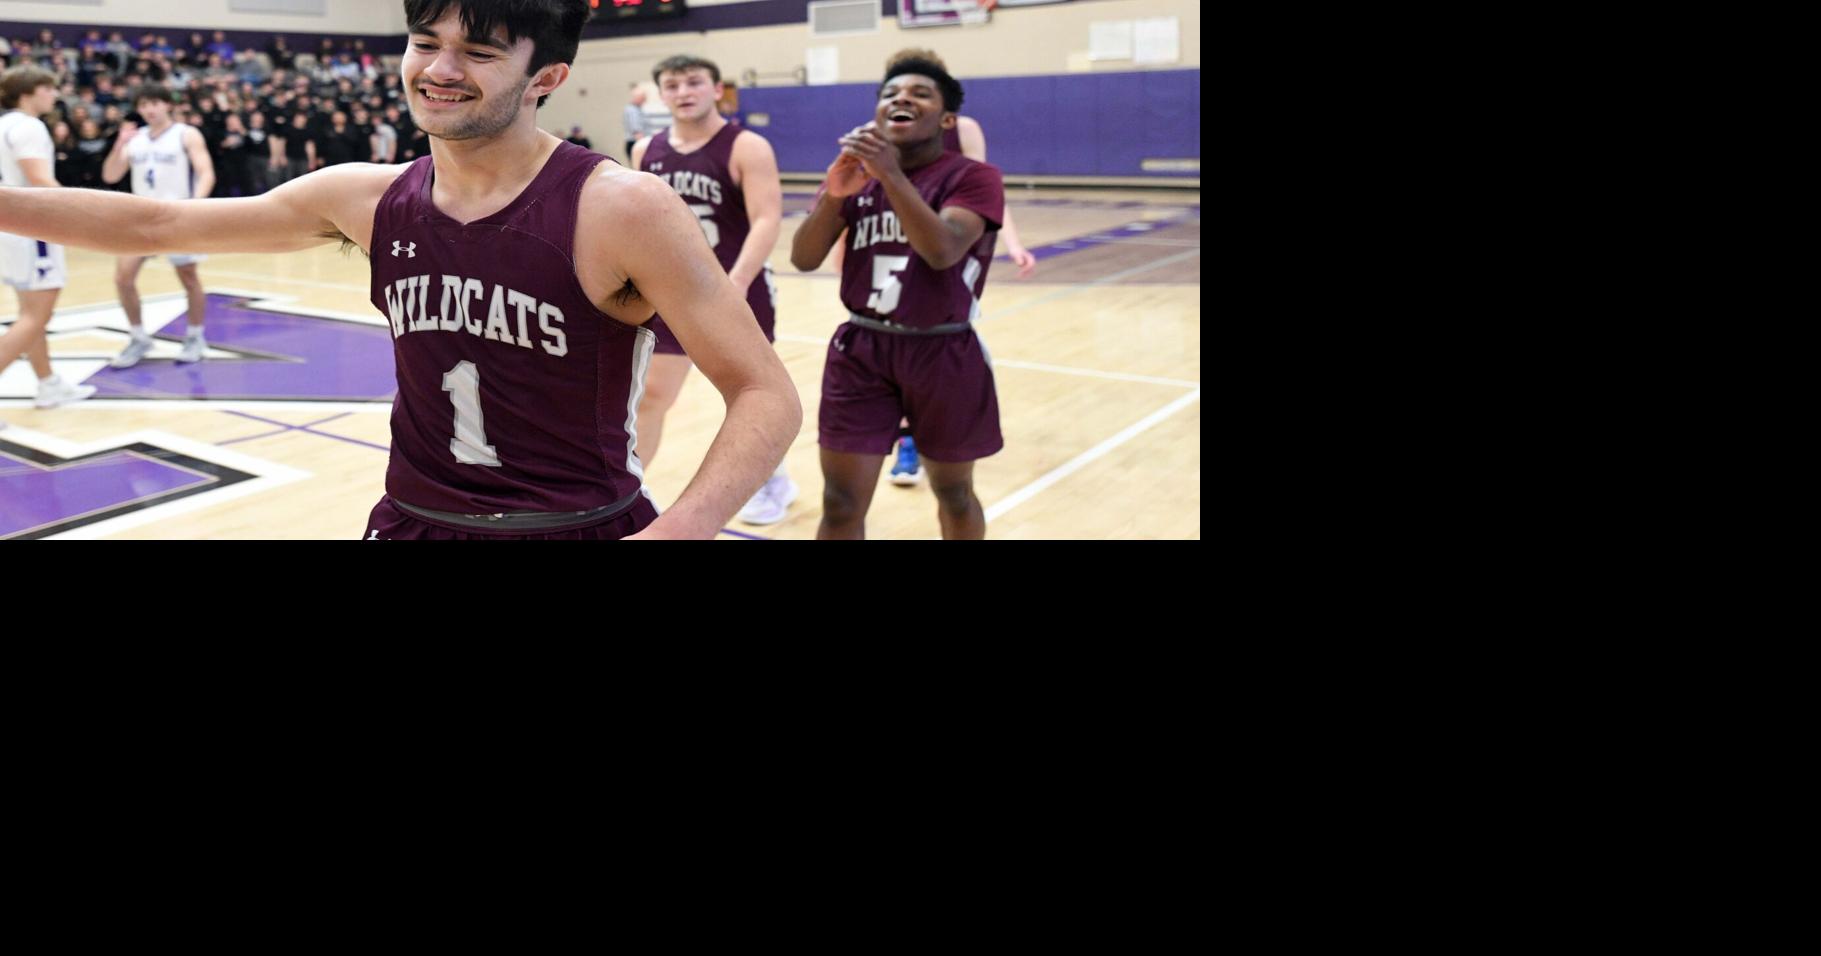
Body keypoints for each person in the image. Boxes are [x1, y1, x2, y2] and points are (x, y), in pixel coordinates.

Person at [0, 0, 800, 540]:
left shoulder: (622, 207)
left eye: (477, 52)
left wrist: (676, 533)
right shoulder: (363, 195)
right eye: (426, 43)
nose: (440, 69)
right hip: (410, 519)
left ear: (546, 80)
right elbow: (158, 221)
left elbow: (764, 392)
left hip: (571, 524)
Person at [790, 58, 1004, 540]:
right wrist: (834, 195)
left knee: (953, 492)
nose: (902, 98)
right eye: (890, 93)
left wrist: (889, 175)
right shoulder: (857, 174)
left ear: (947, 120)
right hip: (861, 348)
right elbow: (803, 258)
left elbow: (943, 249)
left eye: (921, 93)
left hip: (944, 350)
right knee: (840, 502)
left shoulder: (974, 177)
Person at [632, 54, 792, 525]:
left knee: (750, 396)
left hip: (737, 287)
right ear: (662, 94)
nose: (684, 92)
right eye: (673, 85)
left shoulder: (747, 145)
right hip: (669, 290)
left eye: (694, 83)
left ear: (716, 88)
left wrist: (737, 281)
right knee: (651, 394)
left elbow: (767, 216)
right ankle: (629, 488)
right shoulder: (647, 149)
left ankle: (774, 480)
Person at [879, 48, 1036, 486]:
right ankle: (906, 441)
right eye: (898, 86)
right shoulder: (883, 132)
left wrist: (1013, 242)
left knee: (936, 340)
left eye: (922, 88)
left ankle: (939, 436)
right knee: (889, 337)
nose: (908, 97)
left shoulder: (963, 130)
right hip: (892, 246)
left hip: (948, 240)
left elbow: (987, 189)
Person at [0, 66, 95, 412]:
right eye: (48, 88)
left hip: (10, 229)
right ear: (29, 91)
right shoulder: (28, 126)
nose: (54, 95)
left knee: (30, 314)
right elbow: (40, 181)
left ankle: (47, 383)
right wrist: (81, 213)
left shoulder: (4, 124)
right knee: (35, 317)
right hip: (33, 231)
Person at [100, 85, 215, 367]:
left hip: (176, 216)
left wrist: (195, 204)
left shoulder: (186, 134)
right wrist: (119, 144)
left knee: (188, 278)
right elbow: (111, 175)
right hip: (140, 219)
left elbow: (205, 172)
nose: (149, 109)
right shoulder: (134, 138)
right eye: (144, 104)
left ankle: (195, 336)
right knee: (123, 279)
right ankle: (139, 337)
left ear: (167, 105)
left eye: (155, 103)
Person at [622, 83, 646, 161]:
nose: (644, 100)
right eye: (643, 98)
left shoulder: (635, 109)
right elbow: (637, 131)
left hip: (634, 143)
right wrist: (645, 148)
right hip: (635, 143)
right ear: (637, 98)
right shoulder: (633, 111)